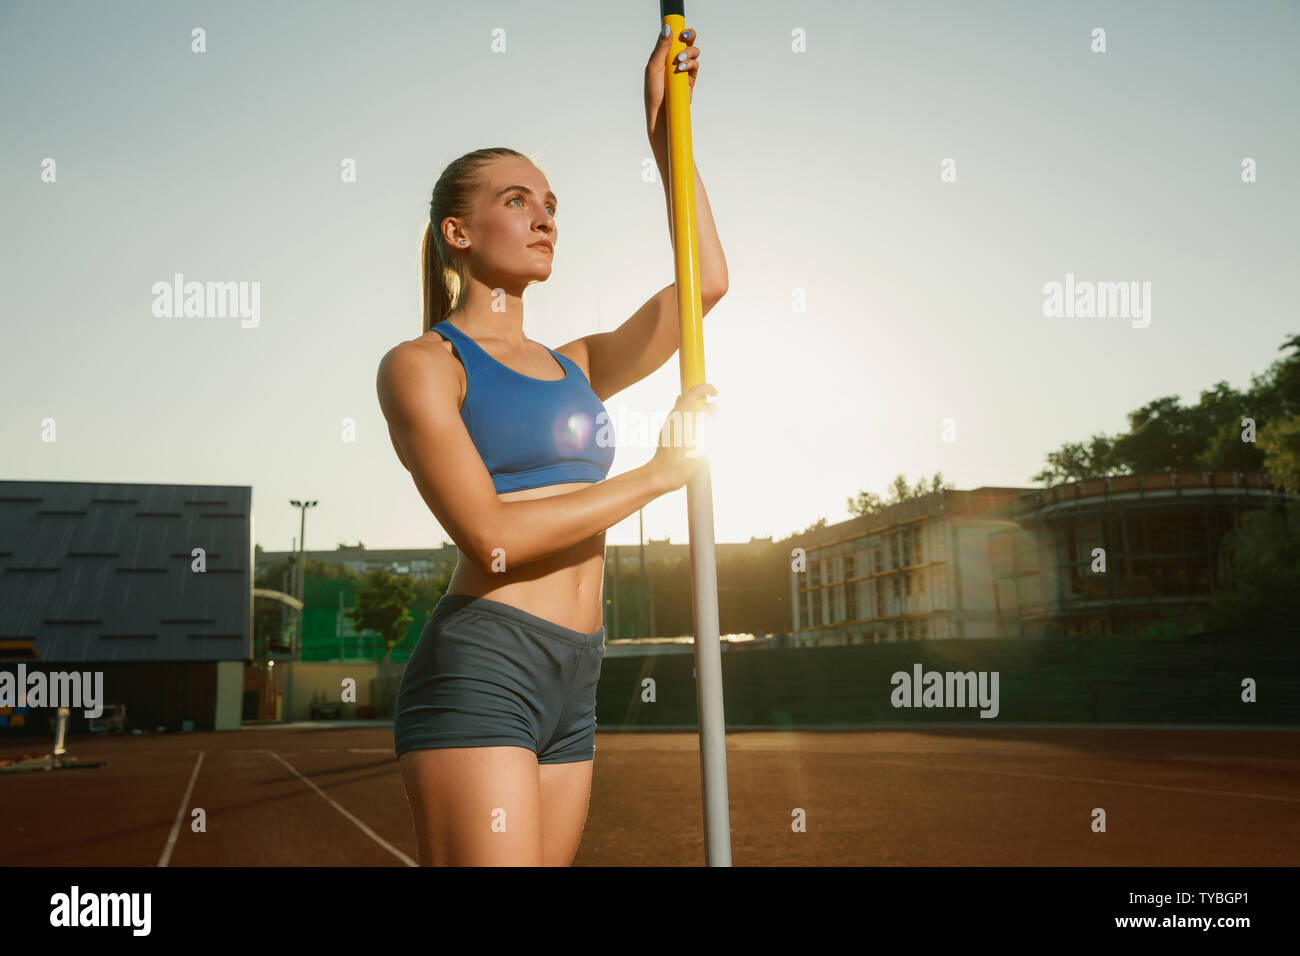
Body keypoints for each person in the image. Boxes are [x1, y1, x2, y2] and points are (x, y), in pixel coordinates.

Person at [375, 24, 727, 866]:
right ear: (458, 233)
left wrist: (664, 137)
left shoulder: (580, 365)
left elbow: (704, 282)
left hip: (577, 674)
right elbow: (492, 540)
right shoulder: (425, 365)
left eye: (552, 205)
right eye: (517, 201)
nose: (545, 218)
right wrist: (655, 477)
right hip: (485, 662)